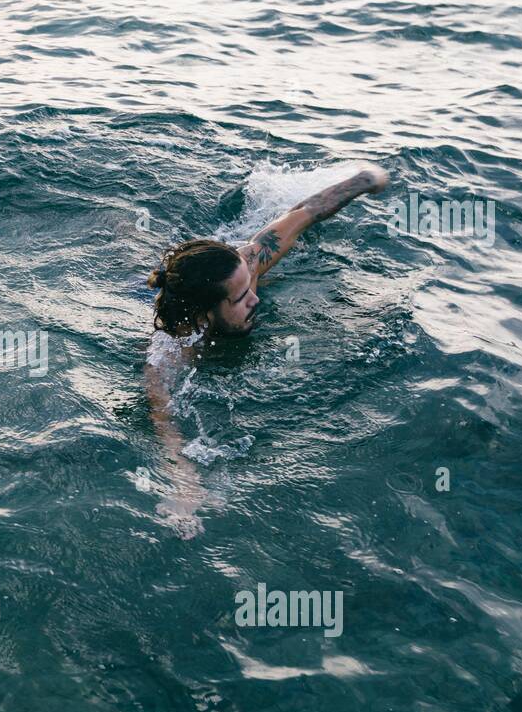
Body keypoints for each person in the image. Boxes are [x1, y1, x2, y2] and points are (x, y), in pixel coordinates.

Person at [144, 164, 391, 538]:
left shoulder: (248, 262)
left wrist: (362, 182)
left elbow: (305, 213)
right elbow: (166, 428)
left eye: (250, 285)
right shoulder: (170, 353)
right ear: (205, 314)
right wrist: (186, 490)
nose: (255, 299)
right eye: (242, 299)